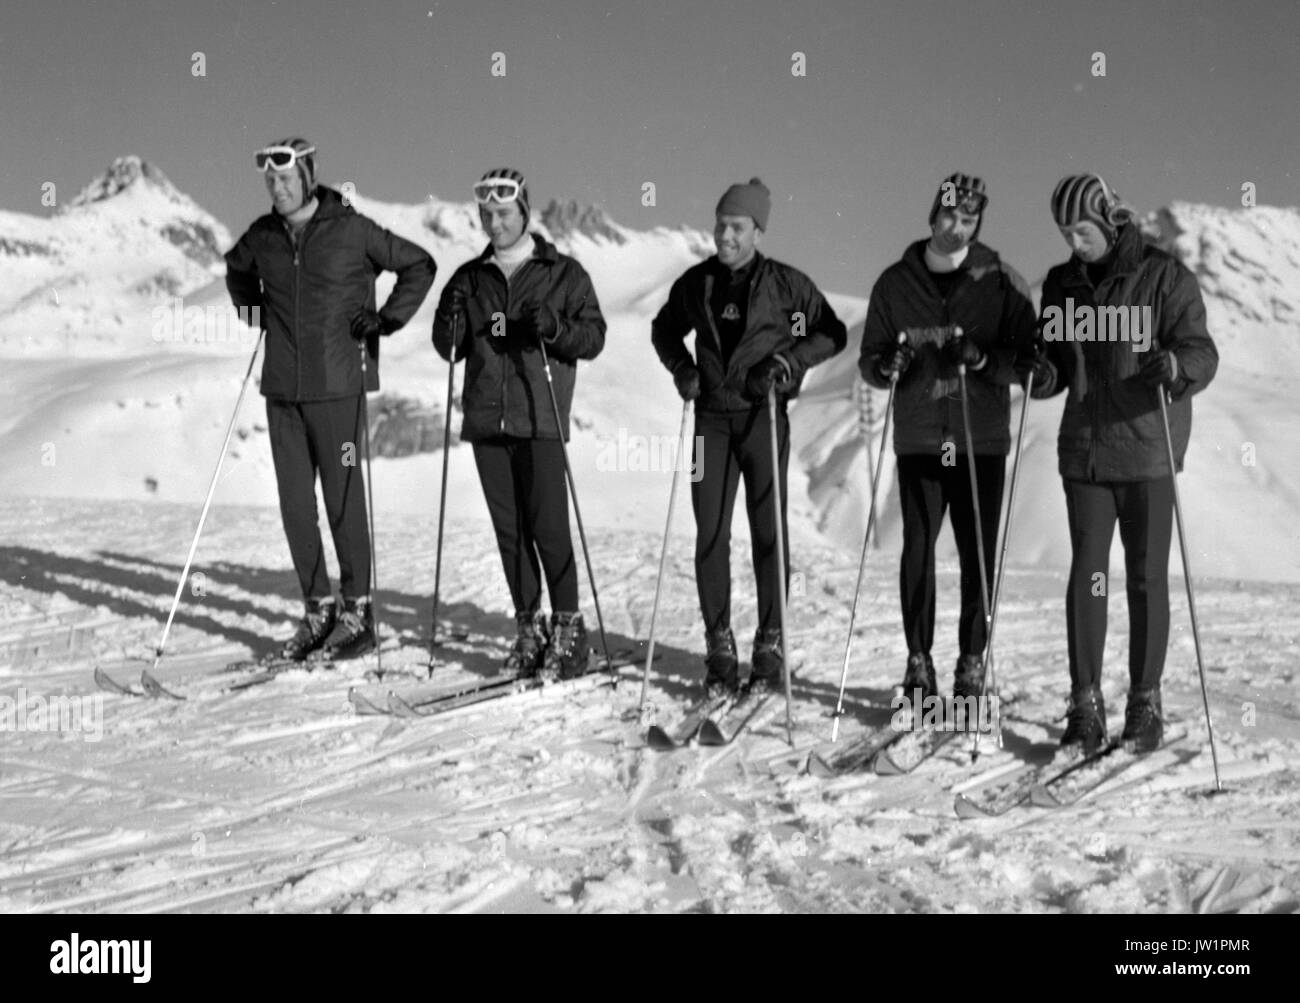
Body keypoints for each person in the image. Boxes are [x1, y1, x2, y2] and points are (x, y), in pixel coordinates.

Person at [1023, 173, 1218, 753]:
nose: (1074, 242)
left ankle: (1145, 702)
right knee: (1089, 573)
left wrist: (1177, 369)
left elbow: (1202, 351)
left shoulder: (1163, 277)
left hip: (1146, 448)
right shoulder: (1062, 284)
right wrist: (1043, 374)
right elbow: (1058, 362)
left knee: (1145, 577)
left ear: (1108, 217)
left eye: (1082, 229)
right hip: (1084, 450)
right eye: (1065, 233)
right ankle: (1084, 707)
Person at [225, 137, 435, 662]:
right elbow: (236, 269)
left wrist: (385, 320)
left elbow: (420, 264)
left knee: (342, 501)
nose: (277, 187)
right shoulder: (264, 237)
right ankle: (318, 609)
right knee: (296, 505)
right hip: (282, 391)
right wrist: (255, 313)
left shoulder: (351, 228)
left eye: (286, 177)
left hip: (339, 386)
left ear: (309, 174)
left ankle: (358, 612)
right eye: (270, 180)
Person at [652, 178, 847, 698]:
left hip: (763, 415)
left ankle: (770, 641)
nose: (725, 235)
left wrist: (786, 362)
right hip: (711, 419)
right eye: (720, 225)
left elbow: (826, 333)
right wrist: (681, 369)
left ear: (757, 230)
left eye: (736, 227)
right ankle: (719, 647)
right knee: (710, 534)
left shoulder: (787, 288)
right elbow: (664, 329)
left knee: (769, 533)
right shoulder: (697, 285)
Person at [859, 173, 1037, 706]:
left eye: (968, 221)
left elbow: (1028, 361)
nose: (957, 229)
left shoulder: (1002, 281)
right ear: (932, 215)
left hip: (979, 439)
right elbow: (870, 358)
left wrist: (982, 360)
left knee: (976, 556)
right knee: (917, 551)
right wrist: (886, 365)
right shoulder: (895, 283)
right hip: (919, 438)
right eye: (949, 217)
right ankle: (919, 661)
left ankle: (972, 661)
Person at [432, 168, 606, 680]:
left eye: (503, 213)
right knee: (510, 533)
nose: (494, 221)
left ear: (525, 211)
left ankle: (569, 631)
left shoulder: (563, 273)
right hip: (488, 420)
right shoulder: (470, 277)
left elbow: (593, 337)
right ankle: (529, 628)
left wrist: (553, 327)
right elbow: (450, 348)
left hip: (540, 417)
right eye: (486, 214)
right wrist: (452, 317)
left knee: (549, 528)